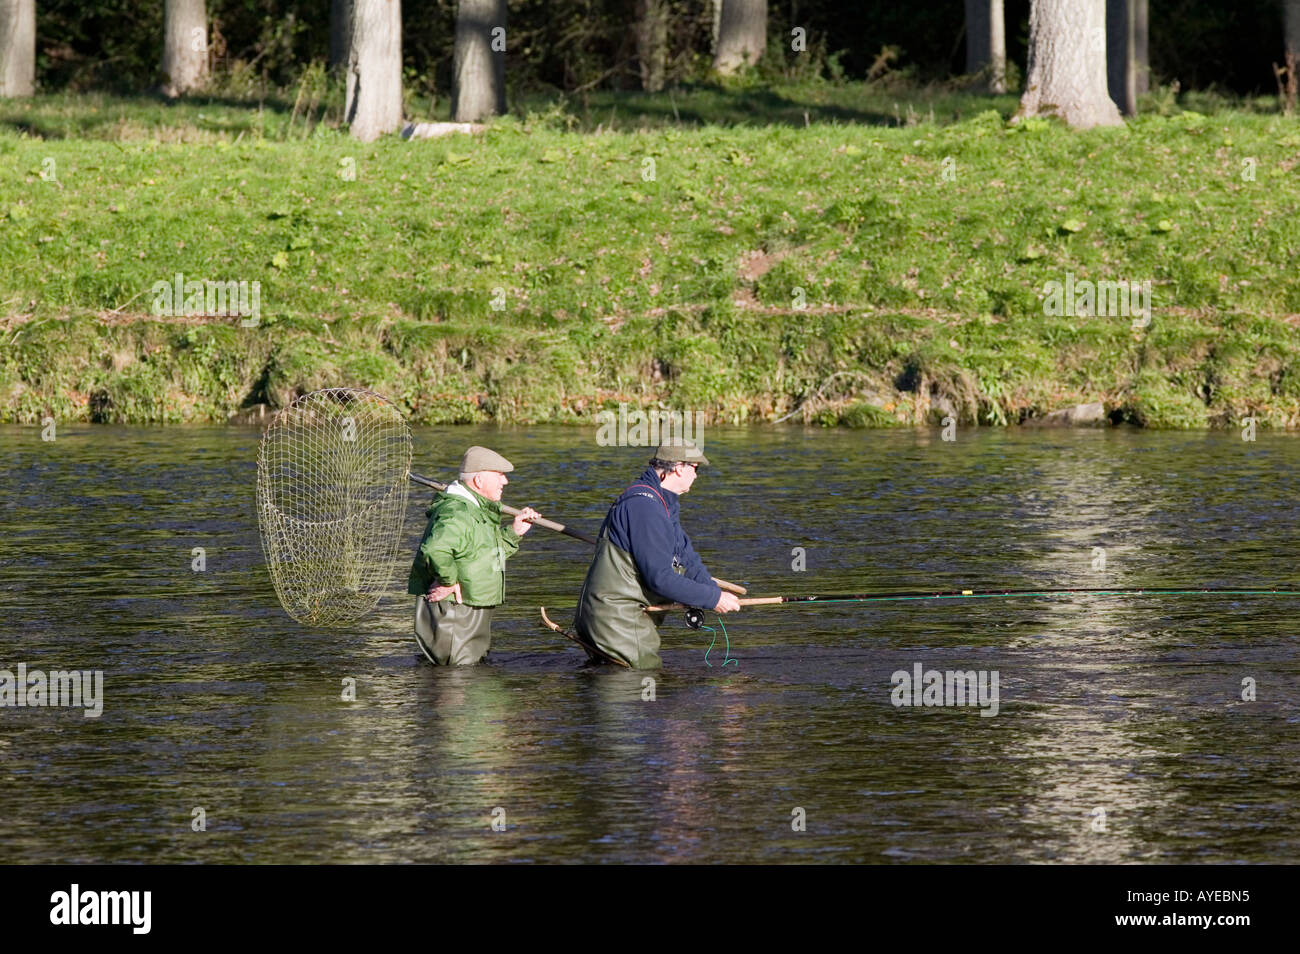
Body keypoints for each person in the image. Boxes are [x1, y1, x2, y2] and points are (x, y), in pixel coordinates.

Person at [574, 439, 740, 669]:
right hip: (615, 623)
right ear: (680, 467)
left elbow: (685, 556)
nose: (697, 476)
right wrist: (713, 600)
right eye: (696, 469)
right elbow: (660, 578)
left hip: (619, 619)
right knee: (643, 686)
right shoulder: (645, 507)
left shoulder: (662, 502)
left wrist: (712, 592)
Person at [407, 446, 540, 666]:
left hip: (470, 608)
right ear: (478, 481)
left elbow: (482, 556)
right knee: (457, 680)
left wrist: (514, 533)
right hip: (457, 610)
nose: (505, 481)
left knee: (467, 679)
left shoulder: (475, 509)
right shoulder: (458, 512)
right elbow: (435, 549)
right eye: (499, 475)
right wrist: (448, 581)